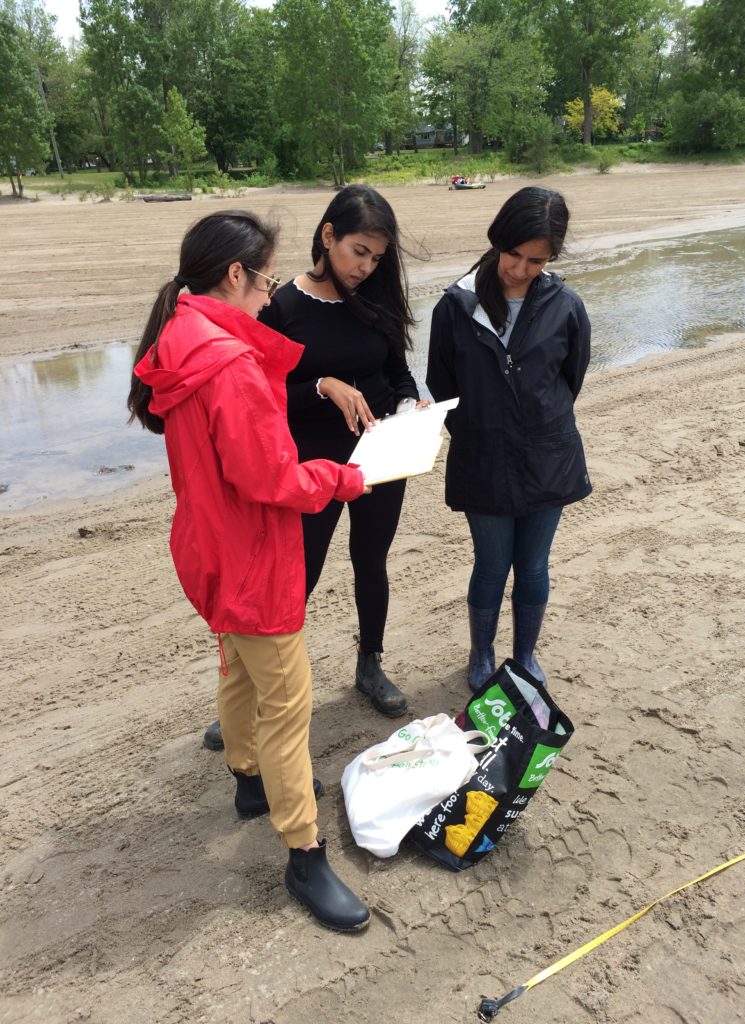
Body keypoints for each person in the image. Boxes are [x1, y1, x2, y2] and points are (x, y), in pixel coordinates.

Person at [127, 209, 370, 932]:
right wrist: (346, 478)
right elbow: (272, 479)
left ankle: (245, 777)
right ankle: (304, 850)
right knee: (288, 705)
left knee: (237, 667)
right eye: (265, 281)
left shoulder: (181, 335)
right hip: (252, 556)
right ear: (235, 274)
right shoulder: (228, 363)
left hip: (207, 547)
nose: (270, 296)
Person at [202, 185, 425, 752]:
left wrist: (408, 408)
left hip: (378, 460)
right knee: (292, 579)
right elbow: (264, 394)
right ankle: (248, 691)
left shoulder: (375, 301)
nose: (366, 267)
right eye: (358, 252)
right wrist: (324, 387)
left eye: (377, 257)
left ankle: (369, 665)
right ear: (328, 236)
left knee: (370, 562)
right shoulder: (279, 307)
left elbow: (397, 376)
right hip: (309, 467)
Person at [426, 186, 591, 691]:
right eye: (513, 254)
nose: (519, 269)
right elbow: (441, 382)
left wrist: (537, 426)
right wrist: (479, 433)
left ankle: (524, 655)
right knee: (492, 564)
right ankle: (482, 656)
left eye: (536, 261)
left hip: (549, 457)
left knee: (534, 564)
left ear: (551, 258)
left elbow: (572, 376)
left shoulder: (566, 305)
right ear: (498, 240)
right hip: (482, 458)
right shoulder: (455, 307)